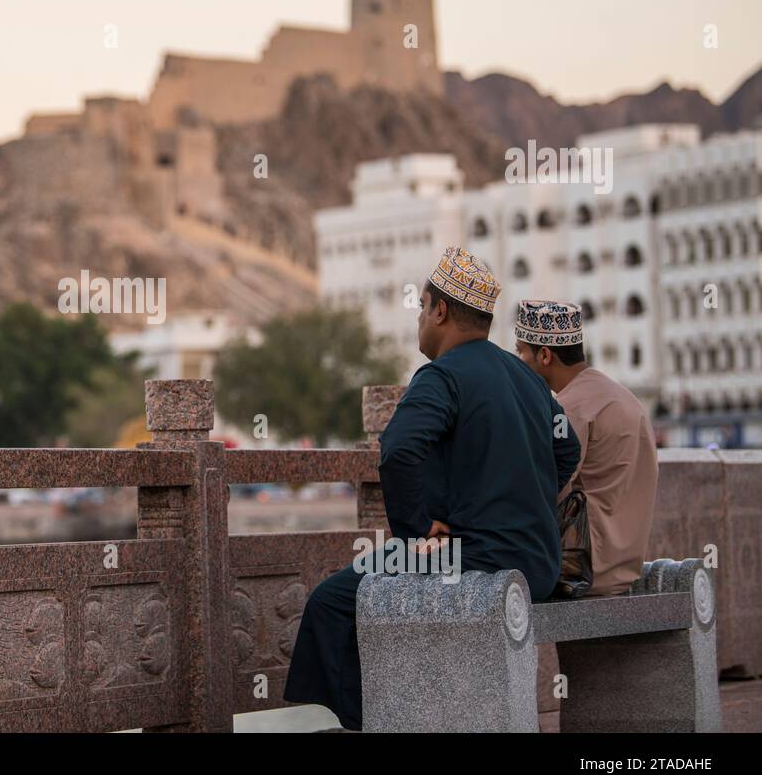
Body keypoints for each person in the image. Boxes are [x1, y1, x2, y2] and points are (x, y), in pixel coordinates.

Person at [282, 247, 580, 730]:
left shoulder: (443, 375)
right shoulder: (527, 377)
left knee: (333, 603)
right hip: (539, 564)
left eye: (422, 308)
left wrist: (417, 530)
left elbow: (397, 449)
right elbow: (569, 449)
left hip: (468, 558)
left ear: (440, 311)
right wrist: (526, 499)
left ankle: (374, 722)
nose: (419, 320)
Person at [513, 299, 658, 596]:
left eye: (520, 351)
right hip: (624, 567)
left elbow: (544, 486)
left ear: (544, 355)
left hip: (582, 570)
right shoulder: (624, 397)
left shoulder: (570, 407)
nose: (517, 361)